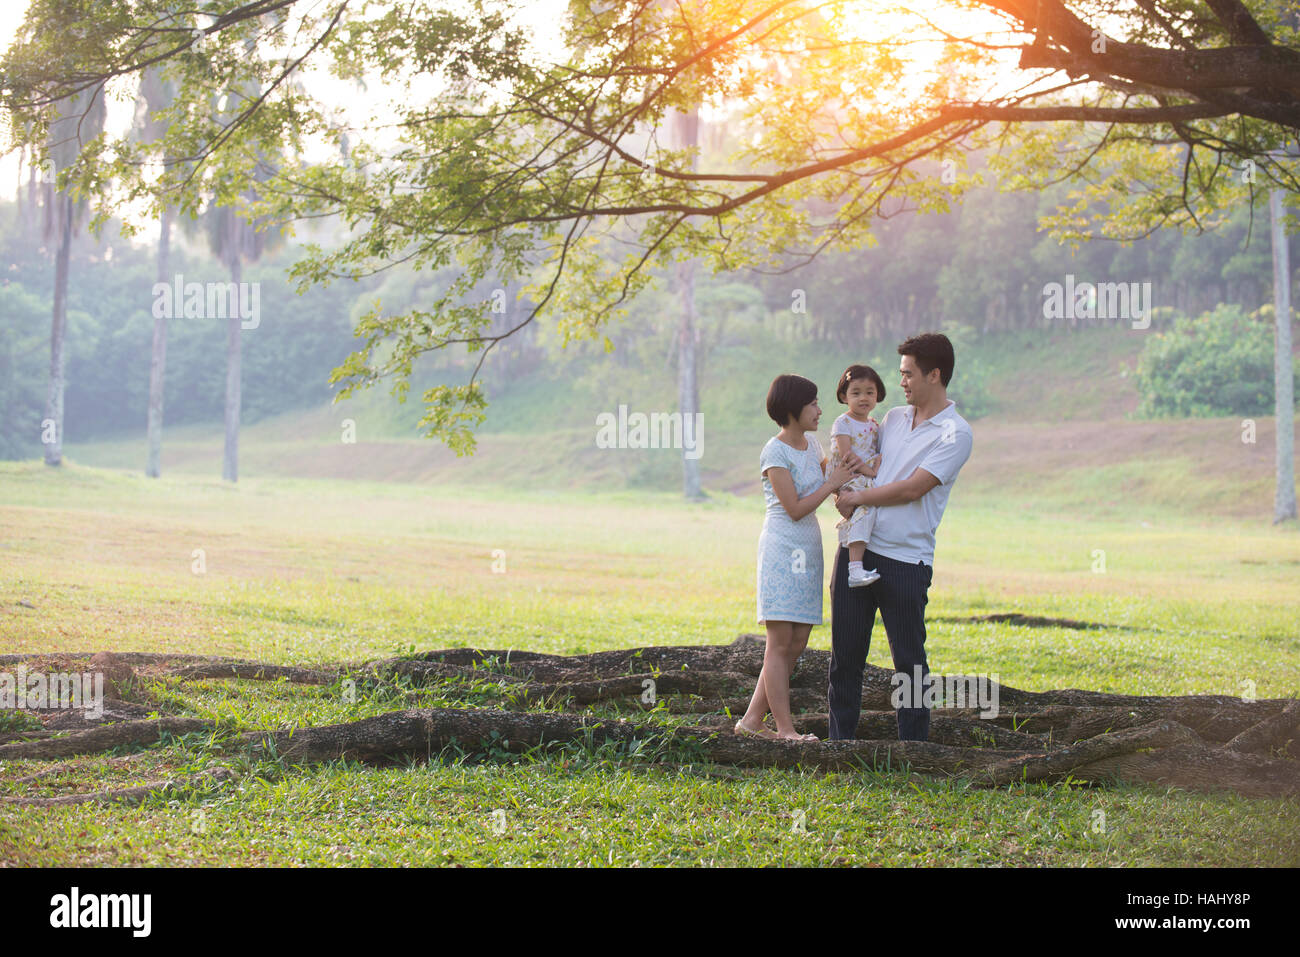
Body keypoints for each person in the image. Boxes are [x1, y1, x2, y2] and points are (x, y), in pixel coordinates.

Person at [826, 333, 974, 742]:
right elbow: (868, 464)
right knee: (846, 658)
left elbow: (912, 488)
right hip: (858, 551)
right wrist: (841, 484)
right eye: (901, 374)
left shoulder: (955, 433)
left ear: (935, 374)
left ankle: (913, 748)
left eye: (908, 374)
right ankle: (840, 746)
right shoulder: (891, 419)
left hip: (907, 561)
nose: (903, 381)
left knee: (909, 663)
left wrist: (857, 497)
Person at [737, 373, 853, 742]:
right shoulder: (775, 451)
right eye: (813, 403)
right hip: (782, 548)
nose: (819, 410)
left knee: (798, 640)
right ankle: (785, 729)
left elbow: (828, 486)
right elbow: (795, 507)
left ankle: (752, 722)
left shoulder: (812, 444)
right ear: (792, 407)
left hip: (809, 548)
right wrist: (831, 483)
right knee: (779, 642)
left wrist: (846, 489)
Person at [828, 364, 887, 588]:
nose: (864, 398)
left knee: (866, 513)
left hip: (864, 477)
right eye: (856, 393)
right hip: (850, 475)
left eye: (870, 392)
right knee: (863, 509)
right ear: (844, 396)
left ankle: (852, 547)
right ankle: (854, 569)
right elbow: (847, 455)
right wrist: (870, 471)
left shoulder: (873, 424)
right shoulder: (843, 422)